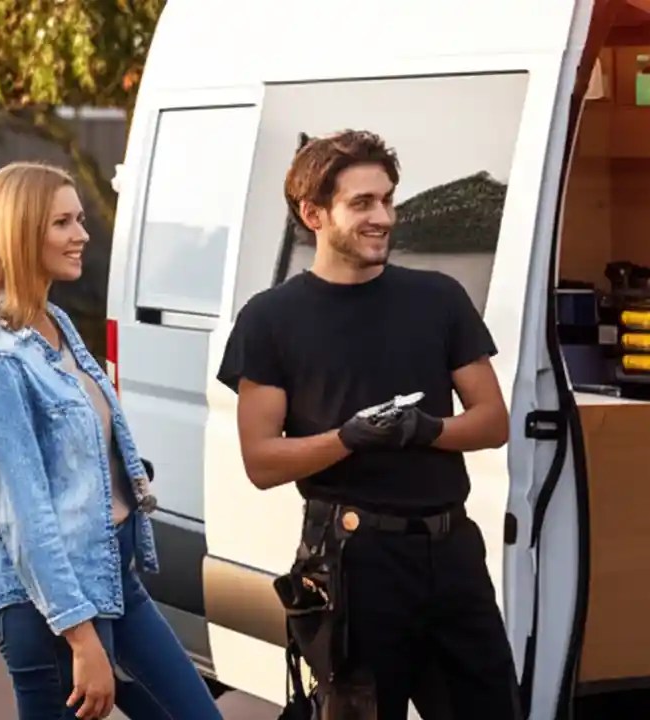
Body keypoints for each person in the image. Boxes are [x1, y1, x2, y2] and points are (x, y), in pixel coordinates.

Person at [218, 129, 521, 719]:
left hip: (452, 555)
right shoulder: (270, 320)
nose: (383, 217)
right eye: (362, 203)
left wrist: (426, 429)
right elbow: (261, 461)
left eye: (386, 200)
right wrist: (348, 438)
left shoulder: (438, 299)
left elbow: (493, 422)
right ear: (313, 214)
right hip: (352, 564)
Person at [0, 162, 224, 720]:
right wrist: (79, 636)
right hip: (46, 606)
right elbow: (23, 514)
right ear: (19, 234)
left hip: (112, 577)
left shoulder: (54, 322)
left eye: (79, 219)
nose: (82, 235)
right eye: (62, 223)